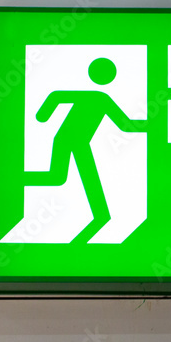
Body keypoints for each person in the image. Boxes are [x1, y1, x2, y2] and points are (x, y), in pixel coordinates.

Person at [27, 57, 145, 243]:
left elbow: (125, 125)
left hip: (76, 142)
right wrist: (44, 114)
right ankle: (92, 226)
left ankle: (92, 226)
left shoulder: (100, 98)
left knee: (56, 177)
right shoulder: (98, 97)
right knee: (57, 178)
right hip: (68, 141)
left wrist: (44, 114)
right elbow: (57, 96)